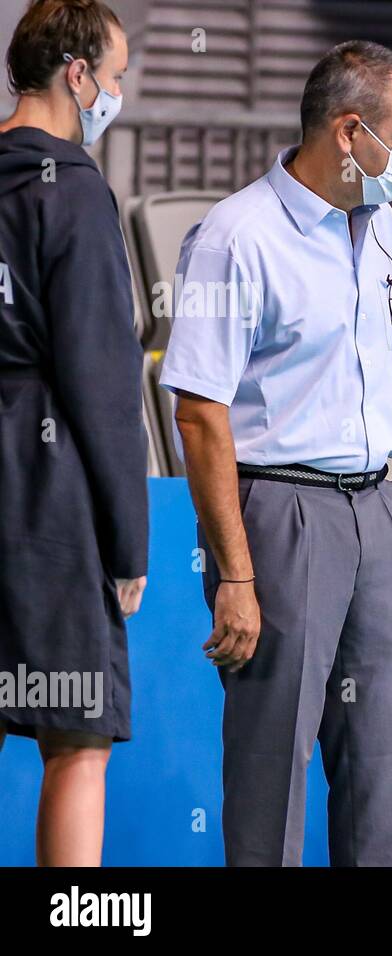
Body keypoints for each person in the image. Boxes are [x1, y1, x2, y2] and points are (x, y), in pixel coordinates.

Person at [160, 40, 392, 866]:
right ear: (351, 133)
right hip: (281, 513)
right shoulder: (234, 237)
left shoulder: (377, 228)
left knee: (386, 769)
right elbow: (200, 414)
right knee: (272, 766)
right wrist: (236, 574)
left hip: (377, 506)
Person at [0, 0, 147, 866]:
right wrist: (128, 542)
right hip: (44, 489)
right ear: (79, 74)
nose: (116, 93)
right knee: (75, 738)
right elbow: (101, 380)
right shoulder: (77, 192)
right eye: (117, 76)